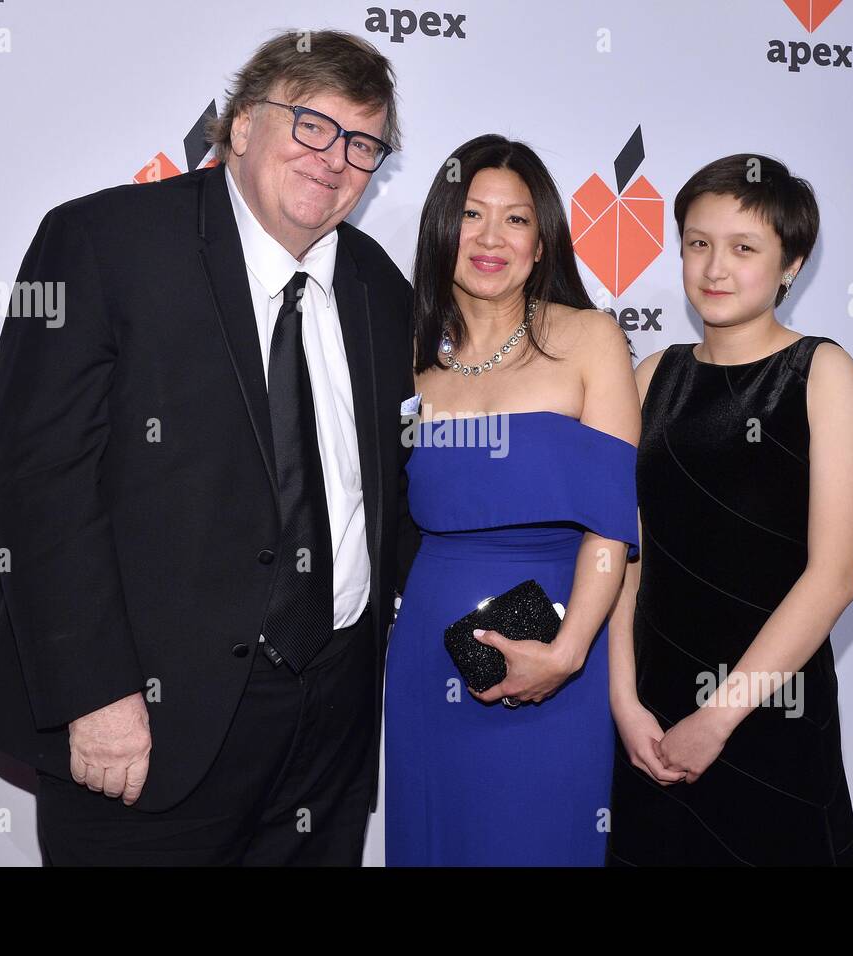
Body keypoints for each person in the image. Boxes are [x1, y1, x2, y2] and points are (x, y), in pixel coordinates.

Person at [0, 30, 420, 865]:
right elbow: (41, 488)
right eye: (312, 125)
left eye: (363, 142)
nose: (336, 159)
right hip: (146, 722)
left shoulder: (377, 287)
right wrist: (95, 696)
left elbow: (388, 487)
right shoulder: (103, 243)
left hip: (331, 722)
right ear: (241, 123)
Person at [607, 154, 853, 866]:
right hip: (652, 714)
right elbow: (625, 558)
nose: (714, 267)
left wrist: (718, 718)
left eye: (744, 248)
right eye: (698, 243)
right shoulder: (654, 374)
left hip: (770, 709)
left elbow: (833, 577)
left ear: (792, 263)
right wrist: (625, 701)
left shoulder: (820, 373)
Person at [384, 134, 640, 866]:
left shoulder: (589, 341)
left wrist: (565, 653)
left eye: (516, 219)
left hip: (562, 658)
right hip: (430, 665)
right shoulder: (409, 368)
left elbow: (612, 525)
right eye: (471, 214)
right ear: (442, 232)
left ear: (541, 242)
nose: (492, 237)